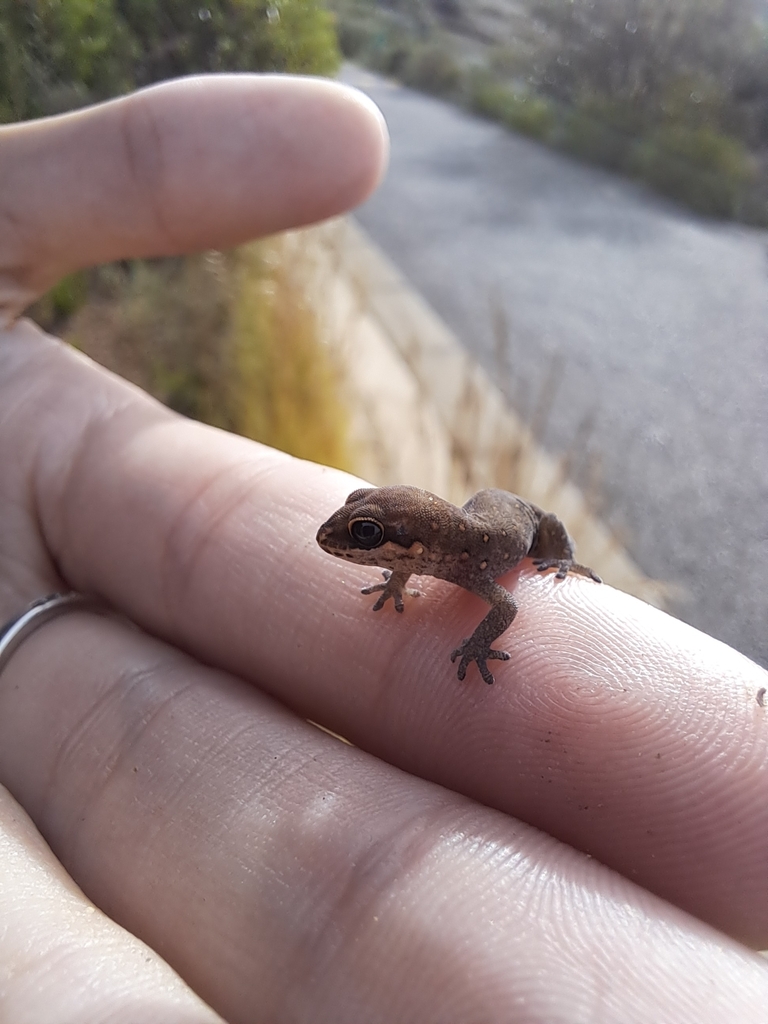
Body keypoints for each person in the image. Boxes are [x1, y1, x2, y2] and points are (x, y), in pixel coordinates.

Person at [0, 73, 766, 1023]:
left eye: (370, 542)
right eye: (366, 538)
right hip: (465, 523)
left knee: (549, 544)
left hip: (516, 524)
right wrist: (397, 590)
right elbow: (407, 562)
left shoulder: (481, 558)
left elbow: (509, 600)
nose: (357, 549)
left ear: (408, 538)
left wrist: (493, 625)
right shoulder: (426, 554)